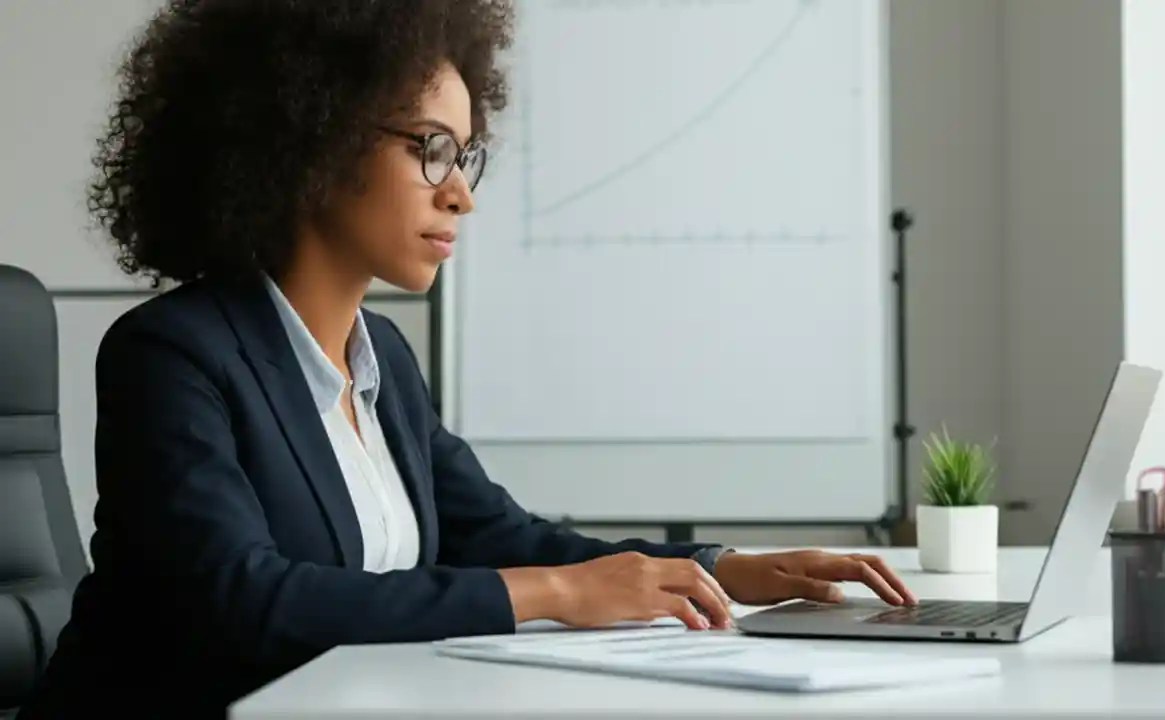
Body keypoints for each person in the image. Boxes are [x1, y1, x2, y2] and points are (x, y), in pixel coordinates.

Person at [17, 1, 917, 717]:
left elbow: (504, 539)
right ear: (310, 138)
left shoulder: (386, 364)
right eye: (429, 149)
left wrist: (721, 569)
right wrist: (557, 592)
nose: (460, 193)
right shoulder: (173, 353)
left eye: (466, 156)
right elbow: (244, 603)